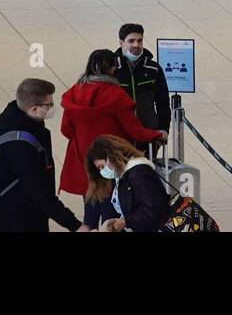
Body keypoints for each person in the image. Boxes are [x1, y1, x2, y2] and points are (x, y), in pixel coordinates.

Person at [59, 49, 166, 201]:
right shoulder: (116, 94)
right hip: (110, 157)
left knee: (90, 204)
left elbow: (66, 129)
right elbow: (134, 130)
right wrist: (157, 134)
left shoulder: (74, 92)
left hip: (83, 155)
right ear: (110, 69)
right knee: (111, 206)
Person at [0, 78, 89, 233]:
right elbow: (39, 192)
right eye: (48, 105)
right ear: (34, 108)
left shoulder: (24, 122)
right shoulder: (19, 146)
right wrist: (74, 225)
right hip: (18, 219)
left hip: (27, 212)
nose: (51, 107)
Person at [86, 135, 170, 233]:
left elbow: (154, 209)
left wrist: (125, 223)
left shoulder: (138, 174)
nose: (102, 171)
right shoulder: (123, 175)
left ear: (111, 157)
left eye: (101, 166)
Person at [114, 23, 172, 139]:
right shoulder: (113, 69)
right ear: (121, 43)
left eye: (139, 40)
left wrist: (163, 128)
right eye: (131, 41)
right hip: (119, 136)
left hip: (147, 134)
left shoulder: (153, 69)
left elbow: (163, 102)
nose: (136, 45)